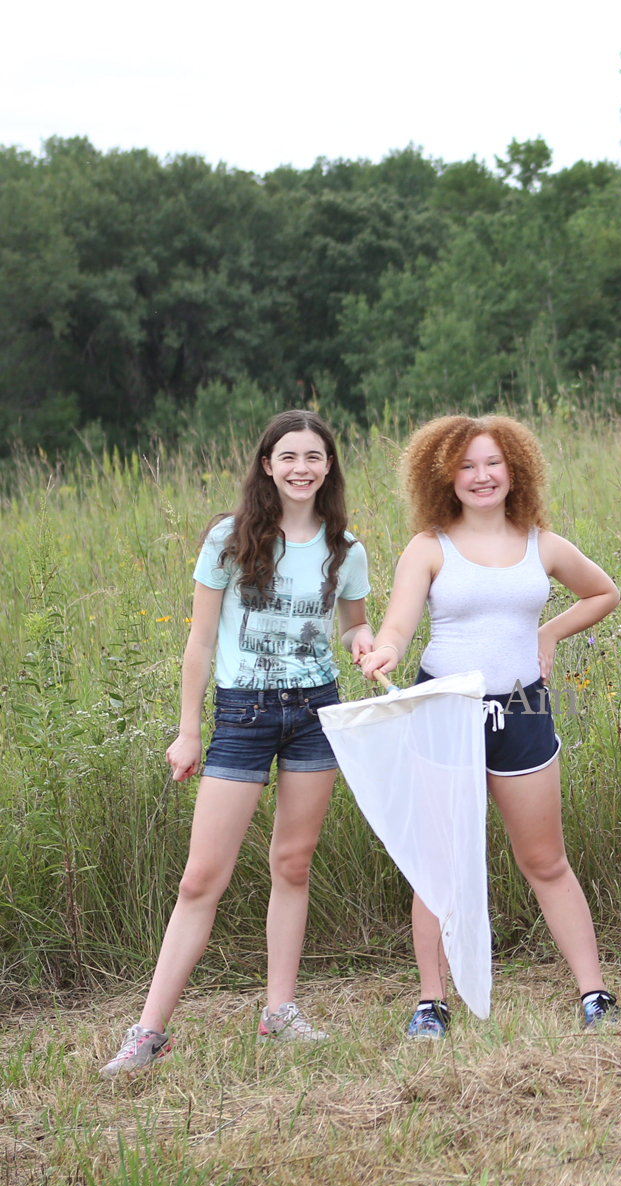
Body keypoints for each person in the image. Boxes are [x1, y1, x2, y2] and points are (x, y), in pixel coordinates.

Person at [102, 411, 374, 1078]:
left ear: (329, 467)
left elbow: (350, 628)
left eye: (314, 457)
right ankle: (148, 1031)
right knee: (201, 878)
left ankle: (280, 1012)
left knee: (293, 864)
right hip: (243, 715)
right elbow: (199, 642)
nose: (302, 468)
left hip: (315, 713)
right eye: (289, 457)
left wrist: (363, 643)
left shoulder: (346, 548)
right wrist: (188, 729)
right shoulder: (230, 539)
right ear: (267, 465)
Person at [359, 415, 621, 1038]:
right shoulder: (428, 547)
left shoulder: (542, 544)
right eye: (467, 465)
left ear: (515, 469)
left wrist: (548, 634)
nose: (481, 476)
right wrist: (385, 651)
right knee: (439, 866)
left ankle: (595, 993)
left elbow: (603, 593)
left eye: (493, 463)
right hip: (445, 713)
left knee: (546, 860)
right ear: (445, 476)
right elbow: (398, 625)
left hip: (523, 710)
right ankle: (431, 1002)